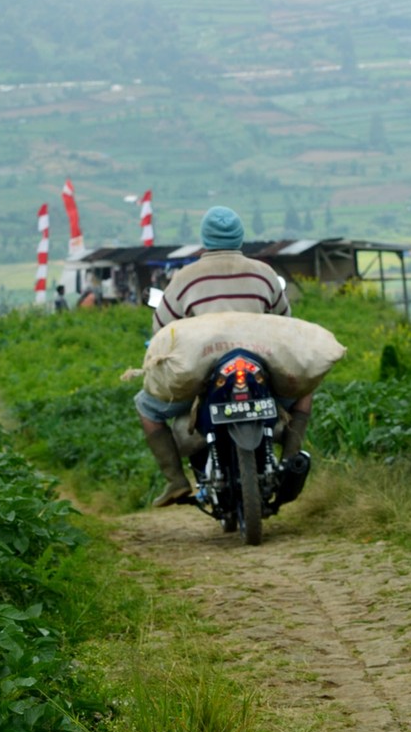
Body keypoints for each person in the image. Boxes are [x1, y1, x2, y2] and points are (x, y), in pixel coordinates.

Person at [134, 205, 313, 507]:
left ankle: (176, 482)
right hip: (258, 369)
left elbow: (162, 329)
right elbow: (284, 320)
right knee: (305, 393)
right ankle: (291, 459)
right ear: (240, 237)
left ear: (205, 239)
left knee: (146, 408)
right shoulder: (265, 273)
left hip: (204, 373)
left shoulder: (184, 279)